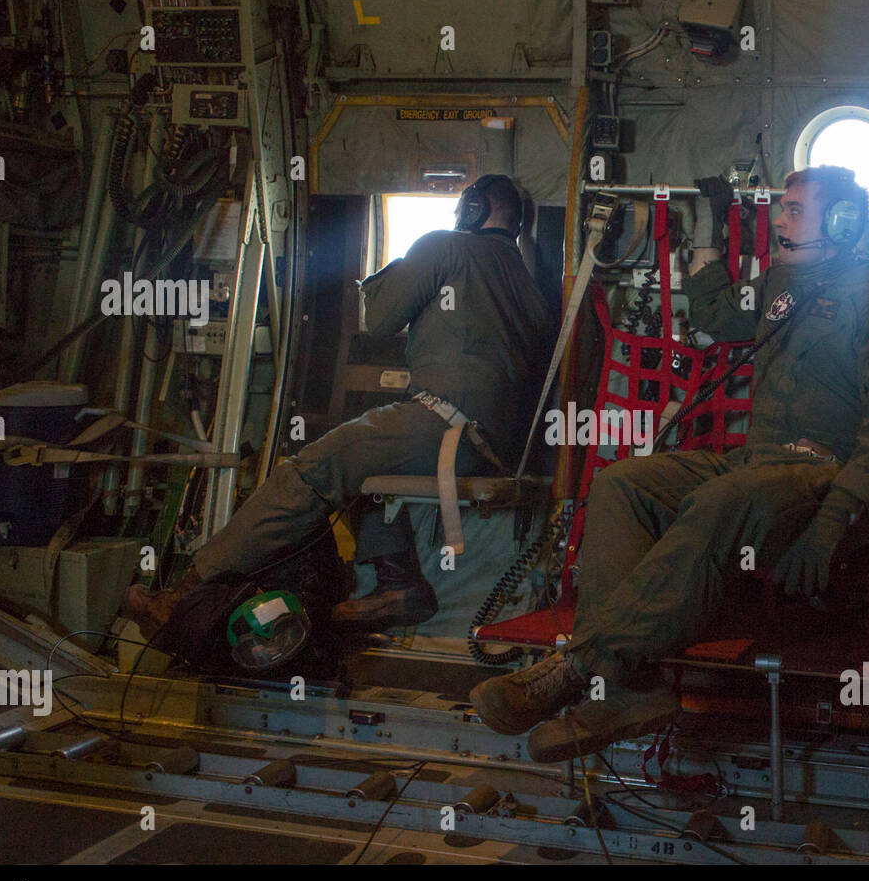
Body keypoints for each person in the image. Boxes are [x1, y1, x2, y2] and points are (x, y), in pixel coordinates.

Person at [470, 165, 869, 762]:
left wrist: (832, 523)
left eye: (794, 209)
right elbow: (715, 313)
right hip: (758, 466)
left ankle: (582, 667)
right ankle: (628, 690)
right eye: (780, 208)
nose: (780, 219)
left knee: (722, 500)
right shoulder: (781, 288)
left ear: (842, 224)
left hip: (827, 481)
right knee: (623, 484)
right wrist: (713, 229)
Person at [125, 174, 557, 636]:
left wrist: (391, 272)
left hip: (446, 424)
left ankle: (181, 598)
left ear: (471, 209)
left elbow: (379, 320)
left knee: (309, 469)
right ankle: (398, 583)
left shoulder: (445, 246)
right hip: (495, 446)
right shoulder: (529, 285)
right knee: (358, 458)